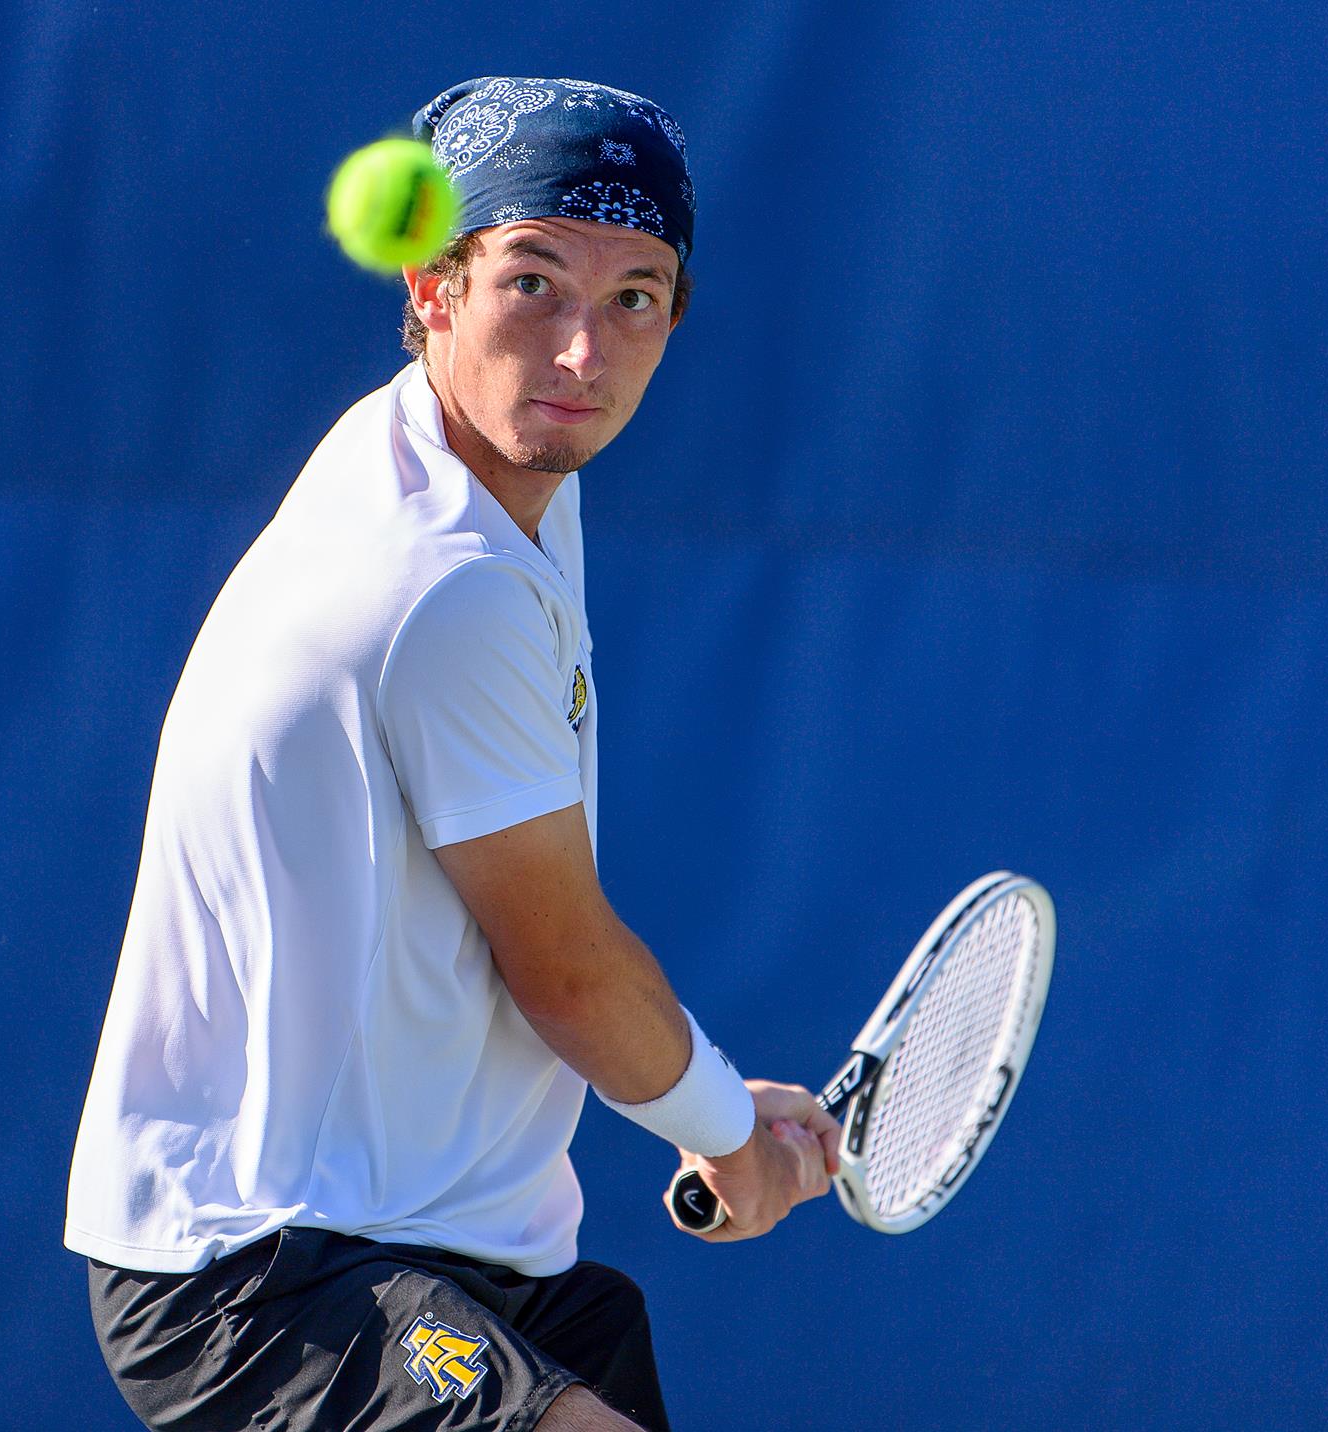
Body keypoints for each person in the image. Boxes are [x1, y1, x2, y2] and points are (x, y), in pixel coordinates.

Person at [66, 76, 838, 1432]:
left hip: (460, 1243)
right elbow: (563, 965)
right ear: (433, 289)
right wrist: (720, 1127)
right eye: (532, 284)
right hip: (268, 1266)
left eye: (633, 299)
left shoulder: (478, 461)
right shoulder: (445, 584)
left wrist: (720, 1104)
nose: (584, 354)